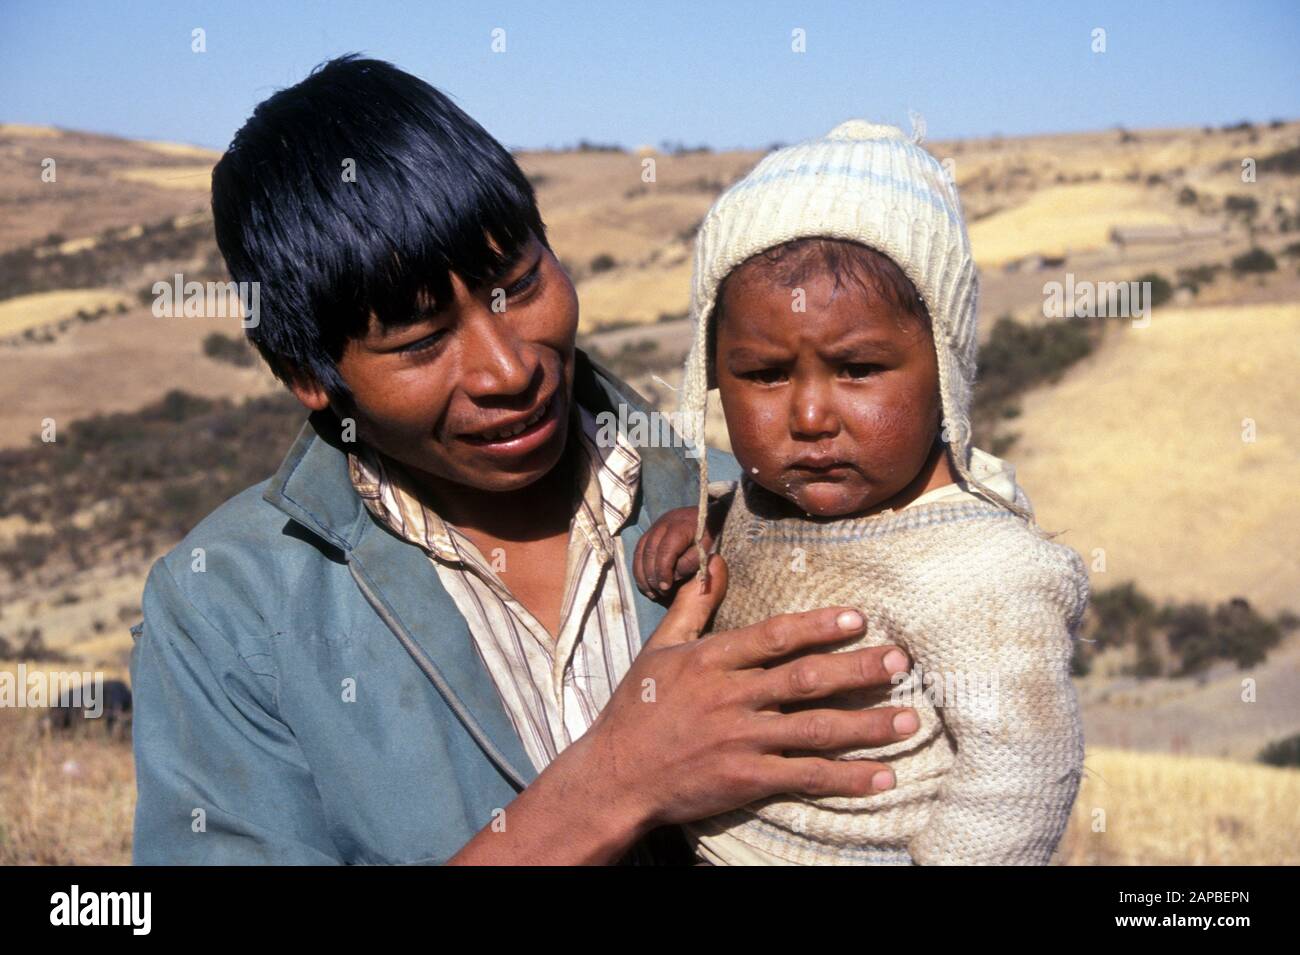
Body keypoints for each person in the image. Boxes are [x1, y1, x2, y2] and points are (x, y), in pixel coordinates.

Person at [128, 58, 920, 865]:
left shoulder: (746, 499)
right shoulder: (225, 605)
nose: (507, 370)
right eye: (421, 342)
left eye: (519, 283)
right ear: (309, 377)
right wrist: (614, 782)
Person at [633, 120, 1088, 864]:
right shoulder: (768, 497)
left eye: (859, 369)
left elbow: (1020, 779)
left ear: (943, 370)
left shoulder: (980, 570)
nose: (811, 416)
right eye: (766, 375)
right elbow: (762, 534)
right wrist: (701, 526)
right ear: (713, 374)